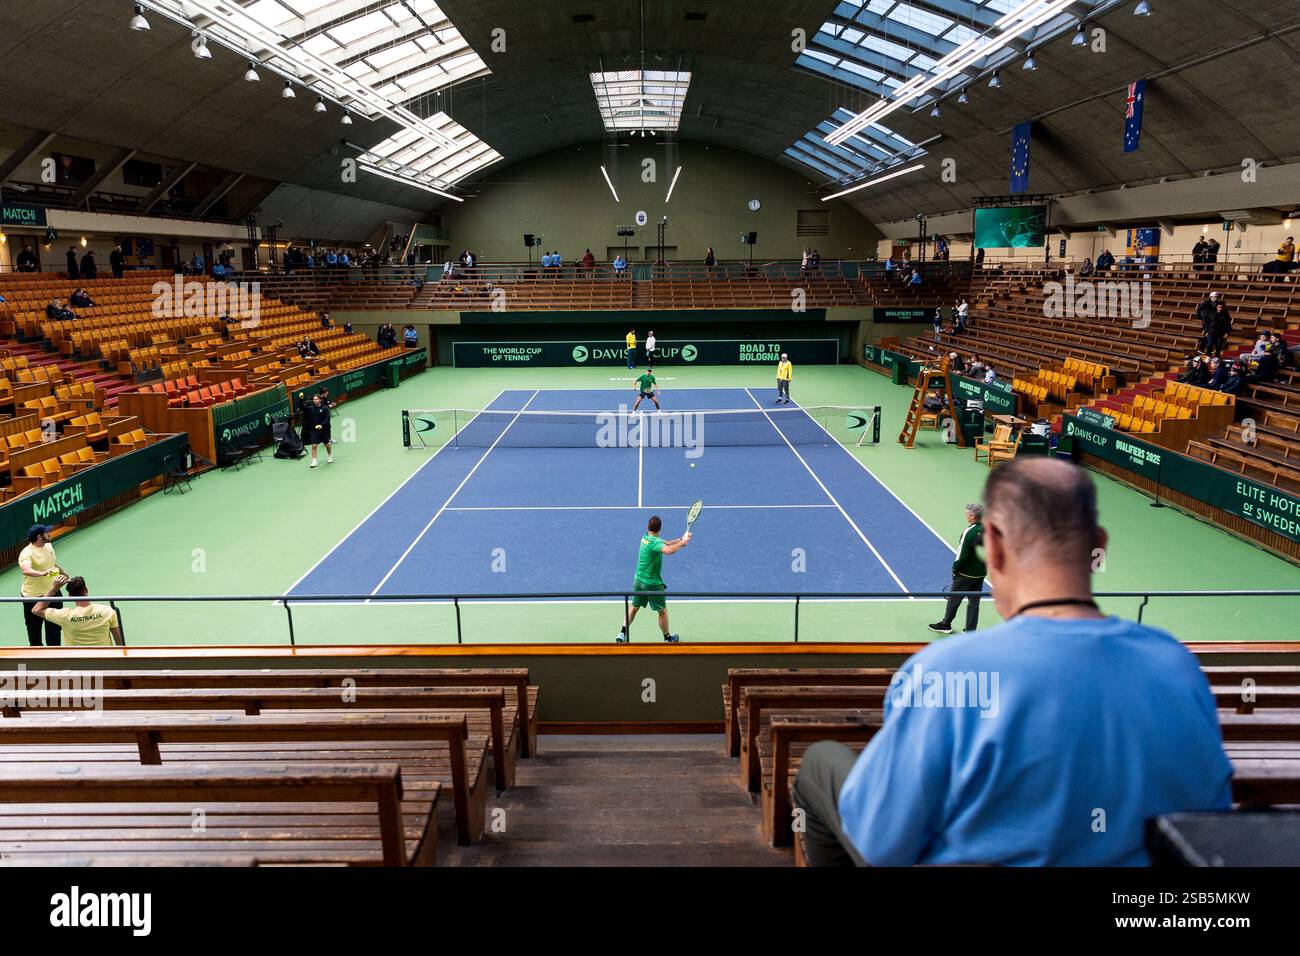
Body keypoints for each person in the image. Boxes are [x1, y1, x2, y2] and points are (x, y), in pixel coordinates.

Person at [792, 458, 1232, 867]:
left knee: (820, 763)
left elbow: (882, 846)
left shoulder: (946, 671)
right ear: (1098, 546)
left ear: (994, 548)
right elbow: (1206, 822)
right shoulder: (1177, 666)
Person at [615, 514, 690, 644]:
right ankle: (668, 638)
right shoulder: (655, 542)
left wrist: (681, 539)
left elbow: (666, 543)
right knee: (662, 611)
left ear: (648, 527)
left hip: (638, 581)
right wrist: (682, 544)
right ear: (660, 529)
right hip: (652, 584)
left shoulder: (645, 538)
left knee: (634, 607)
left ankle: (622, 633)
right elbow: (667, 550)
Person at [928, 504, 986, 635]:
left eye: (967, 514)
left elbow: (963, 554)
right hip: (980, 574)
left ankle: (945, 624)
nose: (966, 516)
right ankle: (971, 630)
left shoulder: (969, 532)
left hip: (965, 574)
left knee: (954, 599)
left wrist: (955, 568)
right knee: (974, 602)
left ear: (972, 516)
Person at [33, 575, 122, 647]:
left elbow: (37, 609)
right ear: (86, 590)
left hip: (77, 664)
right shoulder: (107, 611)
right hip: (105, 662)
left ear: (70, 596)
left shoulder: (64, 615)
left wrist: (54, 589)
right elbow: (119, 642)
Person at [18, 525, 63, 646]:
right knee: (34, 633)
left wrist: (63, 572)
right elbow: (26, 570)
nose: (50, 533)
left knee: (55, 628)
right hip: (33, 597)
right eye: (47, 532)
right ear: (39, 536)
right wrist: (42, 573)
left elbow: (51, 563)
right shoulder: (27, 553)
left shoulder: (48, 545)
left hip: (53, 592)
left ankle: (54, 659)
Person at [300, 390, 334, 468]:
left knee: (326, 444)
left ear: (320, 400)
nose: (315, 400)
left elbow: (327, 419)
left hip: (324, 430)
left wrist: (321, 425)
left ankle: (329, 456)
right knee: (314, 445)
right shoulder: (311, 408)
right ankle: (314, 461)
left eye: (316, 399)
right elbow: (302, 408)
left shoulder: (325, 408)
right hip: (314, 431)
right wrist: (301, 399)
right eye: (314, 399)